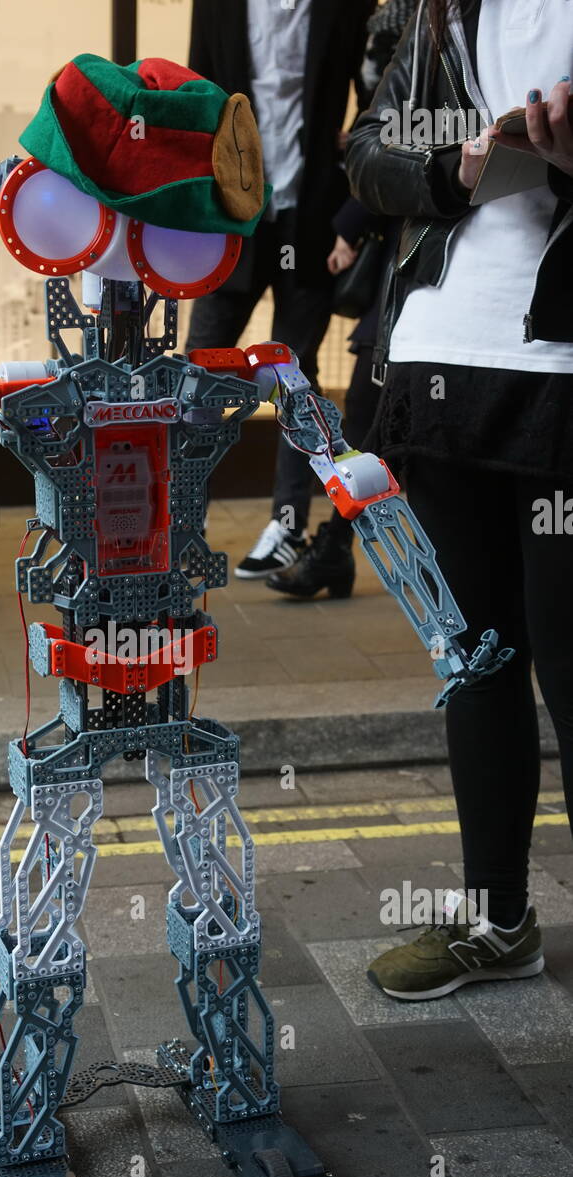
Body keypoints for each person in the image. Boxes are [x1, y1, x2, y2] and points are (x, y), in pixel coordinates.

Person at [345, 0, 573, 999]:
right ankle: (497, 921)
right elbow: (366, 147)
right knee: (476, 661)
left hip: (559, 372)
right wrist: (452, 170)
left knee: (569, 664)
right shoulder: (443, 5)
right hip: (439, 365)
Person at [185, 0, 375, 580]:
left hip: (310, 220)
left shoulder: (346, 8)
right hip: (234, 220)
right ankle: (176, 524)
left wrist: (352, 216)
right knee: (198, 377)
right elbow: (197, 100)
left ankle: (287, 525)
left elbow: (379, 109)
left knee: (296, 379)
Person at [269, 0, 422, 601]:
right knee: (366, 412)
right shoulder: (389, 18)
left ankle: (341, 547)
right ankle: (337, 547)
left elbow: (403, 136)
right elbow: (383, 129)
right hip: (401, 244)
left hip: (422, 242)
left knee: (373, 412)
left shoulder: (433, 24)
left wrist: (351, 222)